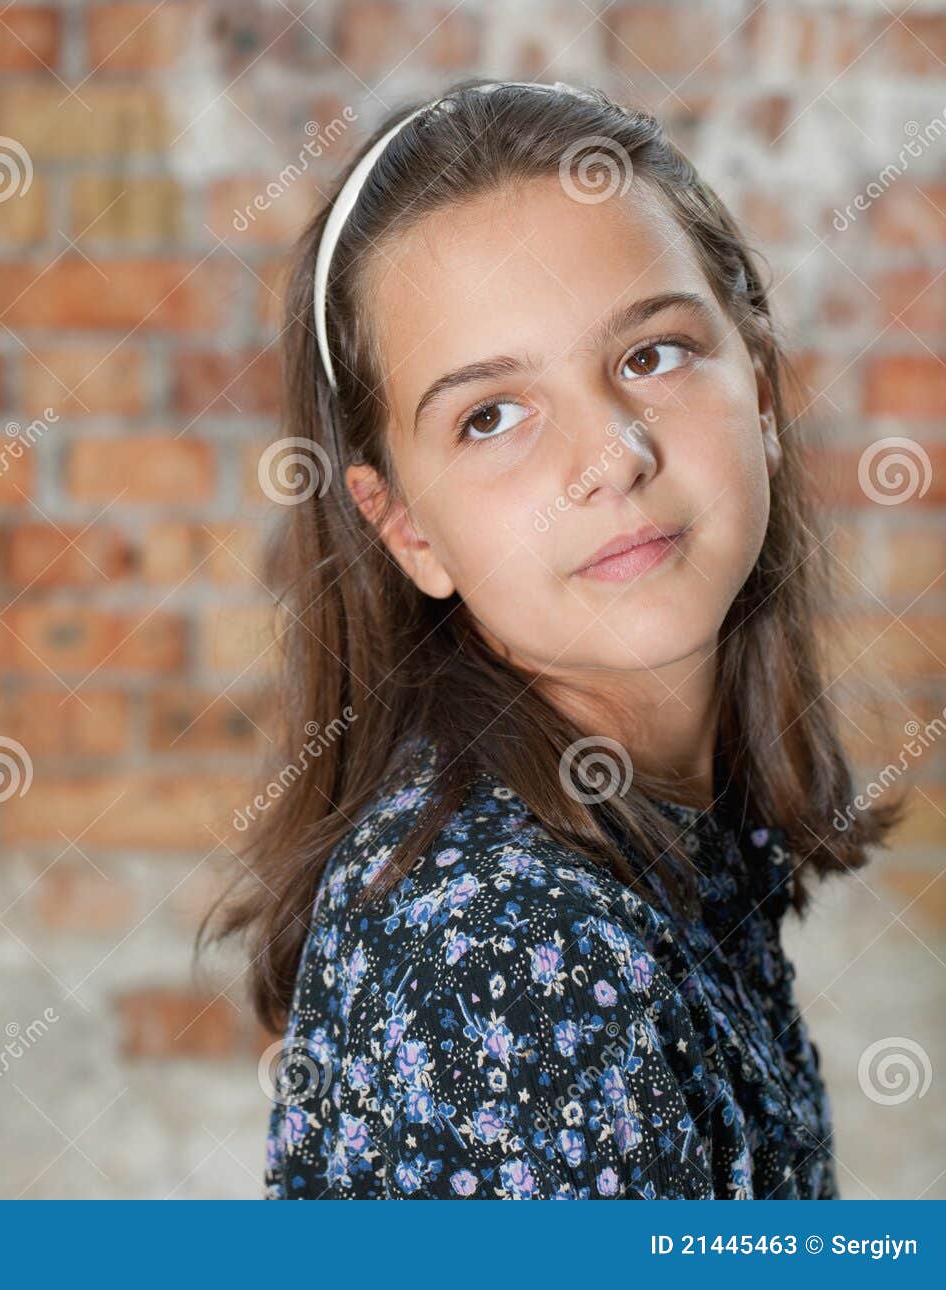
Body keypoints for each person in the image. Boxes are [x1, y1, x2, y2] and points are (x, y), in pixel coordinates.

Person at [200, 77, 904, 1198]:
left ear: (760, 393)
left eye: (652, 354)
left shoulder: (660, 842)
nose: (611, 454)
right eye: (491, 416)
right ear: (406, 529)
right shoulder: (515, 962)